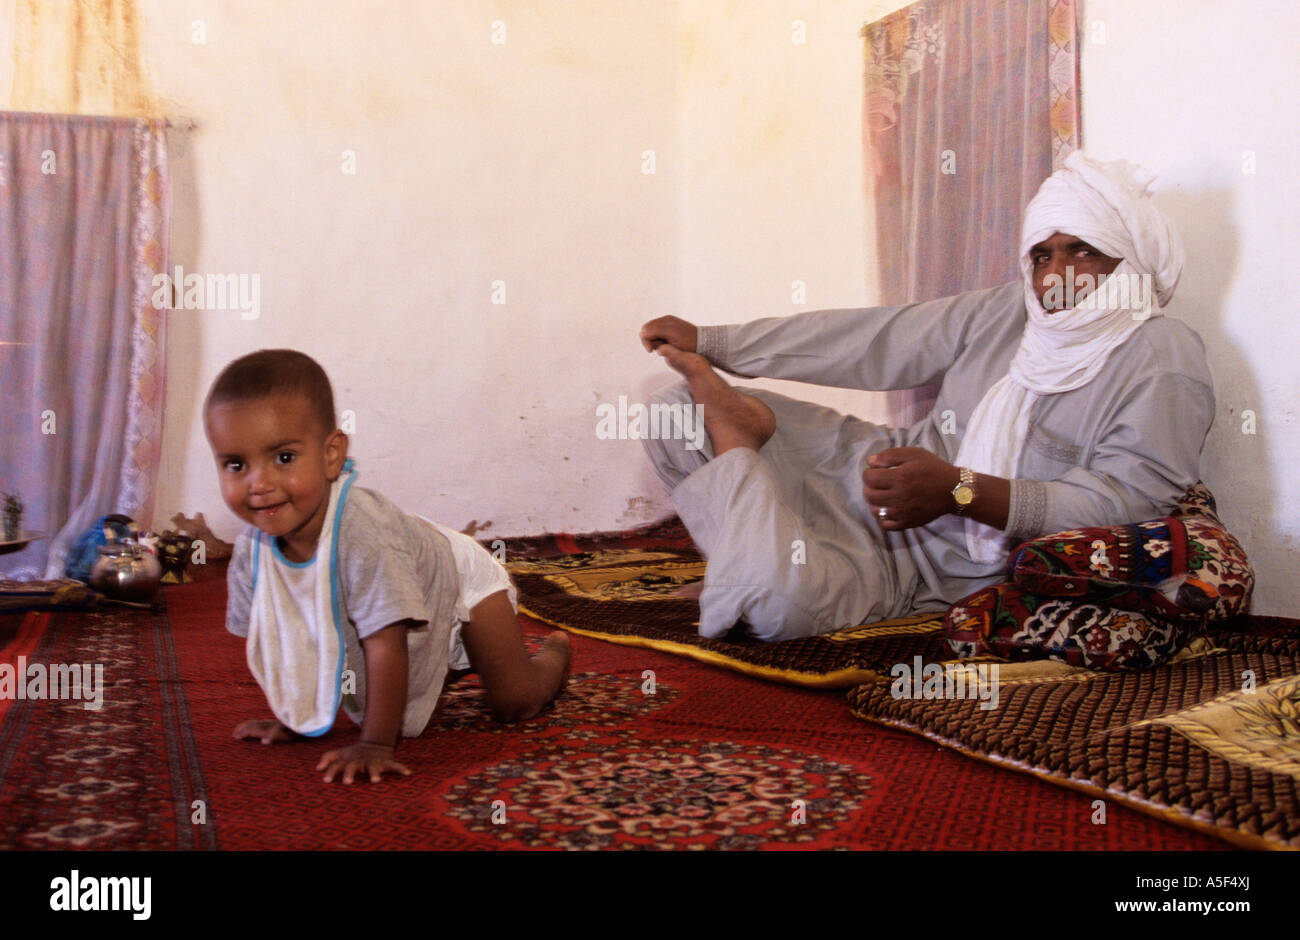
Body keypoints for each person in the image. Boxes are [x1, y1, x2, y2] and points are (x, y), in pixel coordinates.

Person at [639, 151, 1214, 642]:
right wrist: (718, 343)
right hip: (868, 479)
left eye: (1082, 251)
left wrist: (959, 490)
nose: (1054, 275)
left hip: (914, 571)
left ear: (1128, 260)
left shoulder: (1162, 355)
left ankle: (747, 547)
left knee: (772, 609)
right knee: (673, 415)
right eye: (1042, 254)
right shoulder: (1006, 310)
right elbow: (878, 338)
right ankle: (748, 551)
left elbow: (1126, 507)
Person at [205, 349, 571, 784]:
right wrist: (295, 717)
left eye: (283, 458)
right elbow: (287, 639)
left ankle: (556, 652)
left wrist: (376, 742)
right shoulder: (253, 549)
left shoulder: (362, 533)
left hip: (457, 575)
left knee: (515, 702)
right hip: (404, 577)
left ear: (331, 455)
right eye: (236, 464)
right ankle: (451, 665)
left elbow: (385, 644)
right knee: (416, 679)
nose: (259, 484)